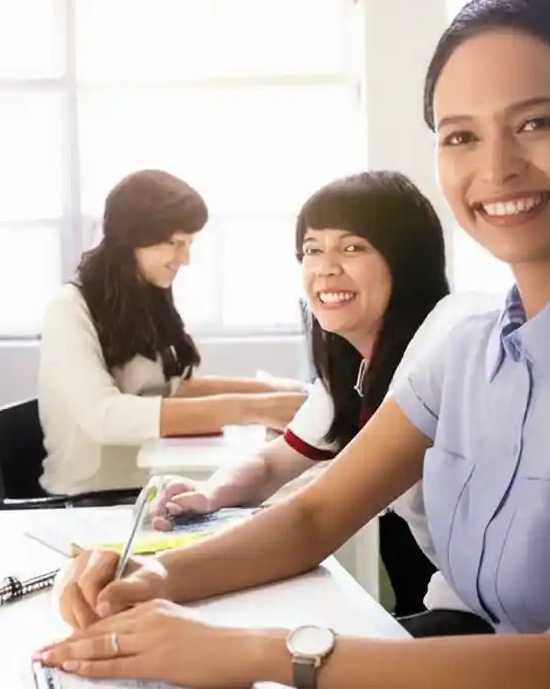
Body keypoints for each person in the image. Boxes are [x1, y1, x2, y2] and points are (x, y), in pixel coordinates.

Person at [40, 0, 550, 688]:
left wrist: (251, 655)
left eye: (536, 123)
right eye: (461, 135)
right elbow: (315, 516)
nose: (495, 166)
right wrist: (154, 577)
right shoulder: (467, 342)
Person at [147, 170, 496, 626]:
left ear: (407, 260)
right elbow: (273, 463)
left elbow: (312, 519)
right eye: (312, 249)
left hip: (509, 619)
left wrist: (151, 577)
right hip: (464, 599)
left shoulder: (455, 330)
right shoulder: (352, 369)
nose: (325, 267)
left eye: (353, 247)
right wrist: (210, 493)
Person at [38, 169, 307, 496]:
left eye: (189, 243)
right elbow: (104, 417)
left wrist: (275, 390)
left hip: (145, 480)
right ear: (134, 237)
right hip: (93, 497)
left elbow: (168, 389)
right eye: (177, 243)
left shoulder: (142, 295)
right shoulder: (69, 308)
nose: (186, 259)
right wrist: (253, 409)